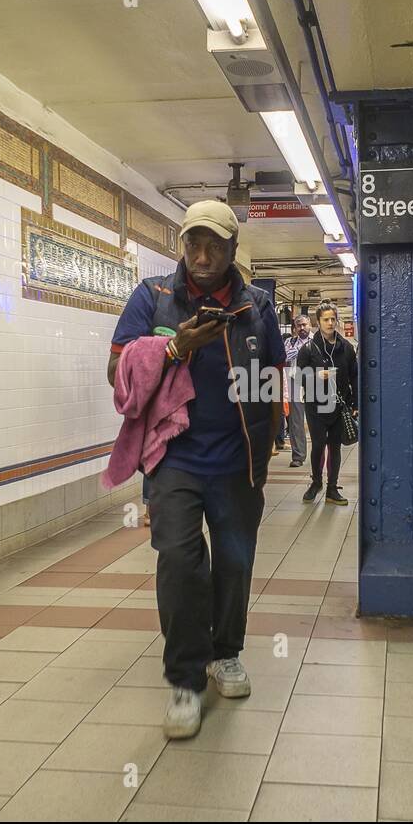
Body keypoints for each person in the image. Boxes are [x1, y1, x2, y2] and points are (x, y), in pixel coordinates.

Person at [107, 200, 285, 739]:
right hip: (174, 457)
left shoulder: (257, 307)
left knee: (234, 561)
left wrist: (272, 437)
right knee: (181, 561)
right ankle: (184, 678)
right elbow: (116, 369)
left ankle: (225, 653)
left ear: (234, 250)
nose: (203, 256)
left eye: (214, 245)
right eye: (193, 244)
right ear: (181, 247)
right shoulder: (154, 296)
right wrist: (175, 346)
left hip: (236, 461)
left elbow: (274, 373)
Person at [296, 301, 357, 506]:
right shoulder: (308, 349)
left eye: (333, 319)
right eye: (326, 319)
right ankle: (316, 483)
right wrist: (315, 374)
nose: (330, 323)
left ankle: (332, 488)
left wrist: (355, 404)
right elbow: (298, 376)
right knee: (319, 446)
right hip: (316, 406)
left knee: (335, 447)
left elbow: (354, 377)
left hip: (339, 406)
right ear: (318, 322)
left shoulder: (346, 348)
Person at [282, 314, 310, 467]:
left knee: (319, 420)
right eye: (299, 326)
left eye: (304, 324)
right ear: (295, 328)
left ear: (310, 325)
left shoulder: (317, 341)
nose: (302, 328)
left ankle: (321, 451)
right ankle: (298, 456)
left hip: (314, 382)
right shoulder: (289, 342)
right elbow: (284, 357)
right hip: (294, 383)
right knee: (295, 422)